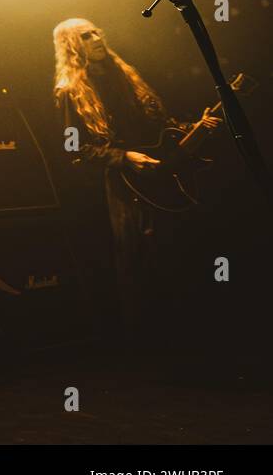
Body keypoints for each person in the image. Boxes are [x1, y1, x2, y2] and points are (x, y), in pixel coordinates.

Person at [52, 18, 219, 340]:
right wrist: (122, 158)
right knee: (138, 258)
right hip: (122, 185)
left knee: (178, 250)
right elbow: (74, 148)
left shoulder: (126, 77)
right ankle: (147, 340)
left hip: (161, 177)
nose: (97, 37)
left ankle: (191, 330)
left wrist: (191, 128)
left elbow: (161, 127)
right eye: (86, 36)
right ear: (72, 46)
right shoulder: (70, 92)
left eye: (97, 31)